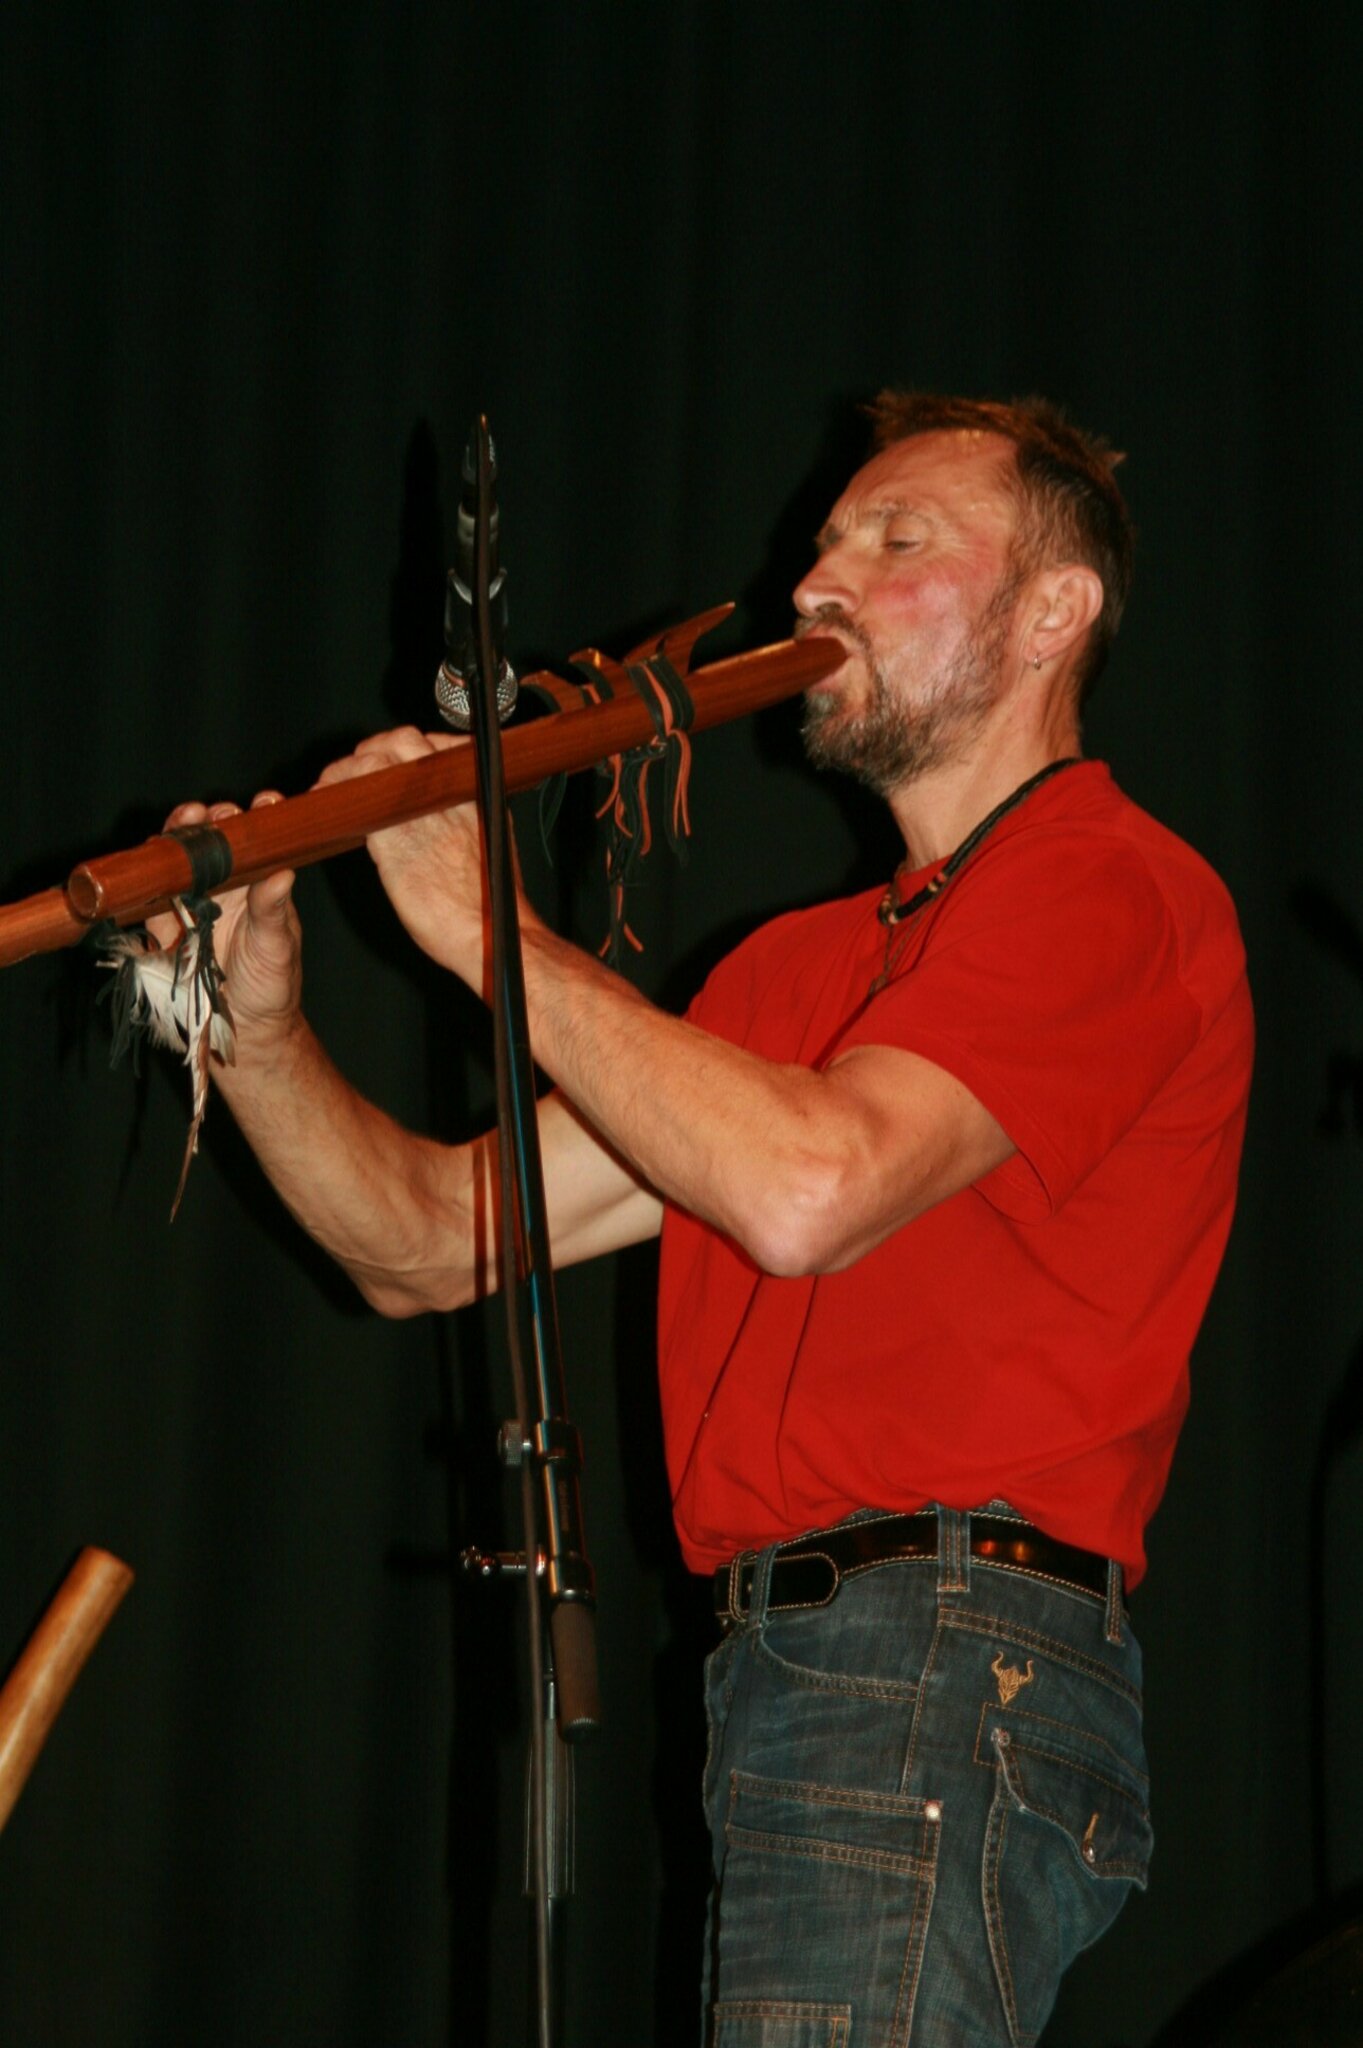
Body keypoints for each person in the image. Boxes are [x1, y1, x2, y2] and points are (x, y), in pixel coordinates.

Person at [163, 393, 1253, 2046]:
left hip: (945, 1640)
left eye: (896, 541)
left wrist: (489, 931)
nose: (817, 583)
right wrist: (247, 1019)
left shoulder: (1111, 881)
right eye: (824, 544)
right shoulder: (784, 974)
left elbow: (811, 1191)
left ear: (1054, 613)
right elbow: (427, 1239)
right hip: (810, 1664)